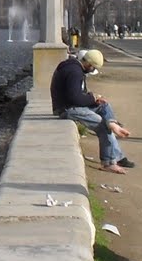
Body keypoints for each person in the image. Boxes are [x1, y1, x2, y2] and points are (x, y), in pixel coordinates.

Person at [51, 45, 135, 175]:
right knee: (103, 126)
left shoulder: (72, 66)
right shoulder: (75, 72)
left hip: (70, 105)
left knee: (104, 105)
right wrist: (92, 98)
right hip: (67, 109)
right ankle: (108, 163)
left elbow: (76, 94)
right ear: (88, 64)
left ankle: (112, 122)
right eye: (93, 68)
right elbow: (74, 98)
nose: (92, 70)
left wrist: (94, 98)